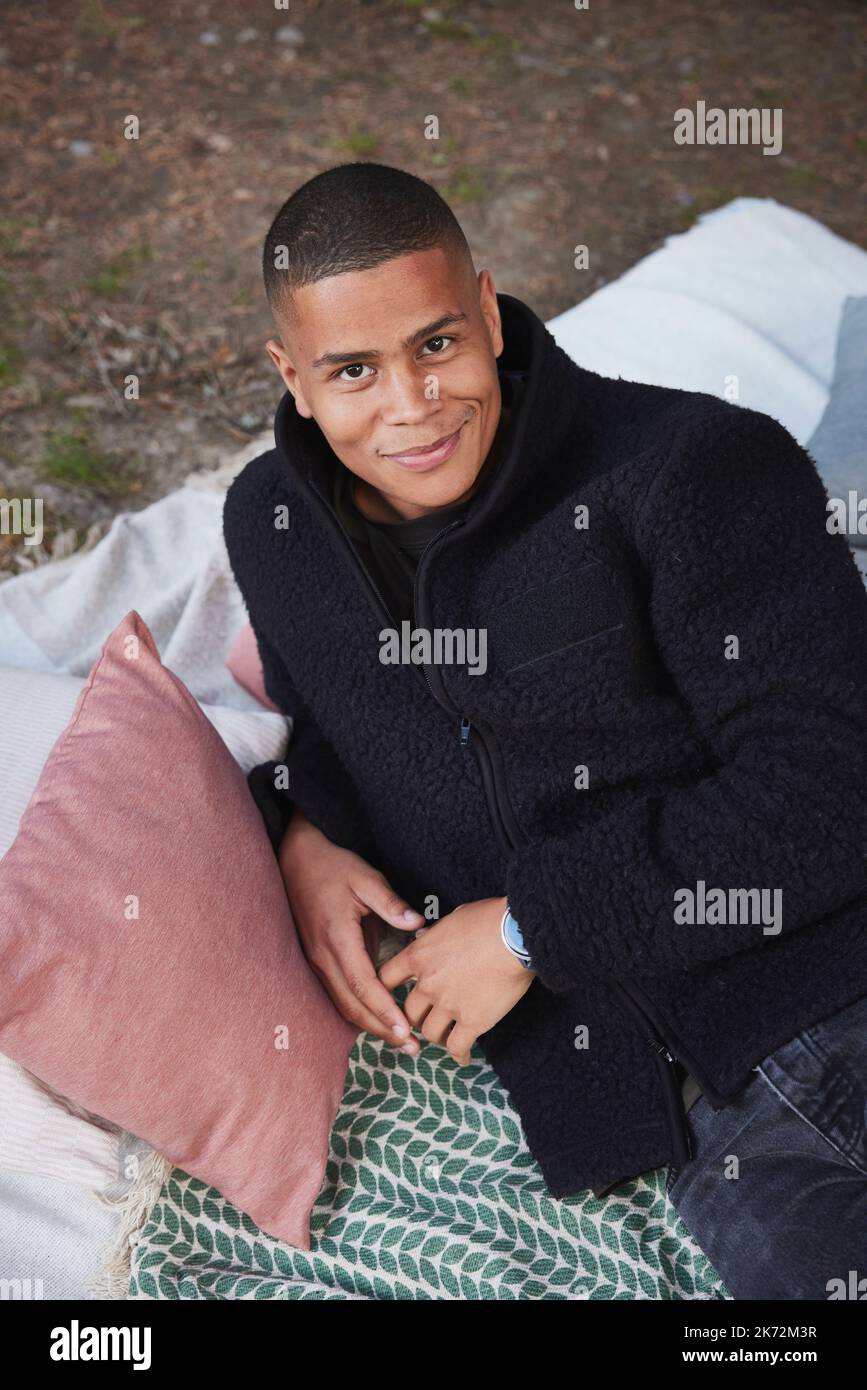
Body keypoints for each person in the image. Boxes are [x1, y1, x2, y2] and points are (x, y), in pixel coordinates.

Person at [223, 161, 867, 1299]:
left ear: (486, 306)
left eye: (435, 343)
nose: (412, 405)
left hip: (834, 1000)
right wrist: (303, 829)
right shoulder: (272, 524)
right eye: (354, 371)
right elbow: (326, 716)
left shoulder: (692, 468)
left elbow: (832, 789)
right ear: (293, 376)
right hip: (696, 1127)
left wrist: (528, 930)